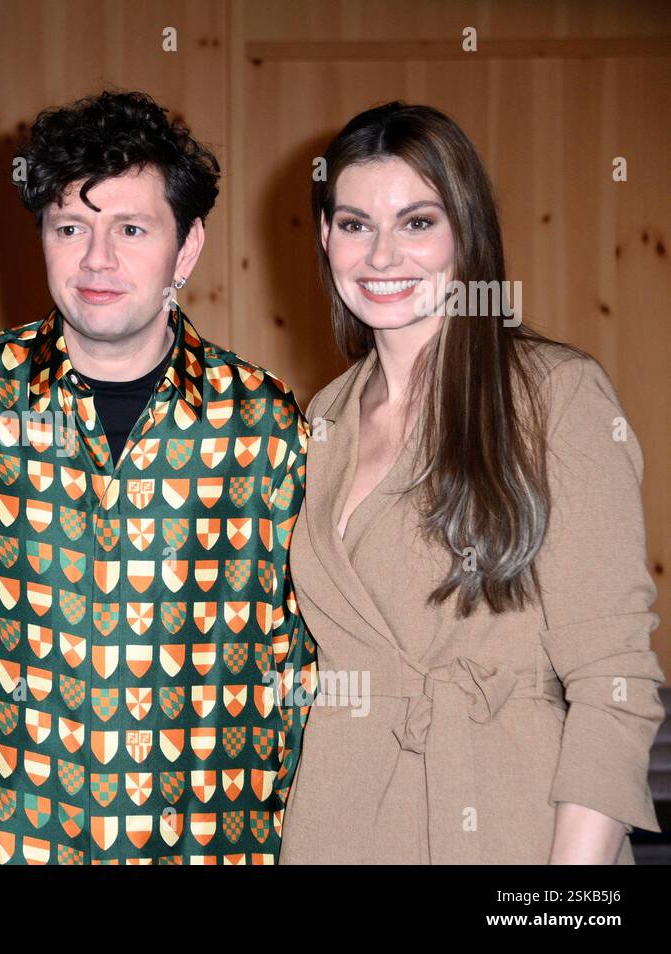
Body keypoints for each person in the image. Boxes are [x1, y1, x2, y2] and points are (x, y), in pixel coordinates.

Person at [0, 91, 317, 864]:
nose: (97, 259)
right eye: (70, 229)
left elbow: (297, 651)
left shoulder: (267, 424)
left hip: (202, 838)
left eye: (130, 229)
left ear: (186, 250)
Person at [280, 101, 665, 864]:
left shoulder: (553, 394)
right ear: (327, 238)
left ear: (466, 232)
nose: (383, 254)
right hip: (340, 819)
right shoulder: (321, 419)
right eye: (356, 224)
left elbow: (613, 682)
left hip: (513, 825)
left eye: (418, 222)